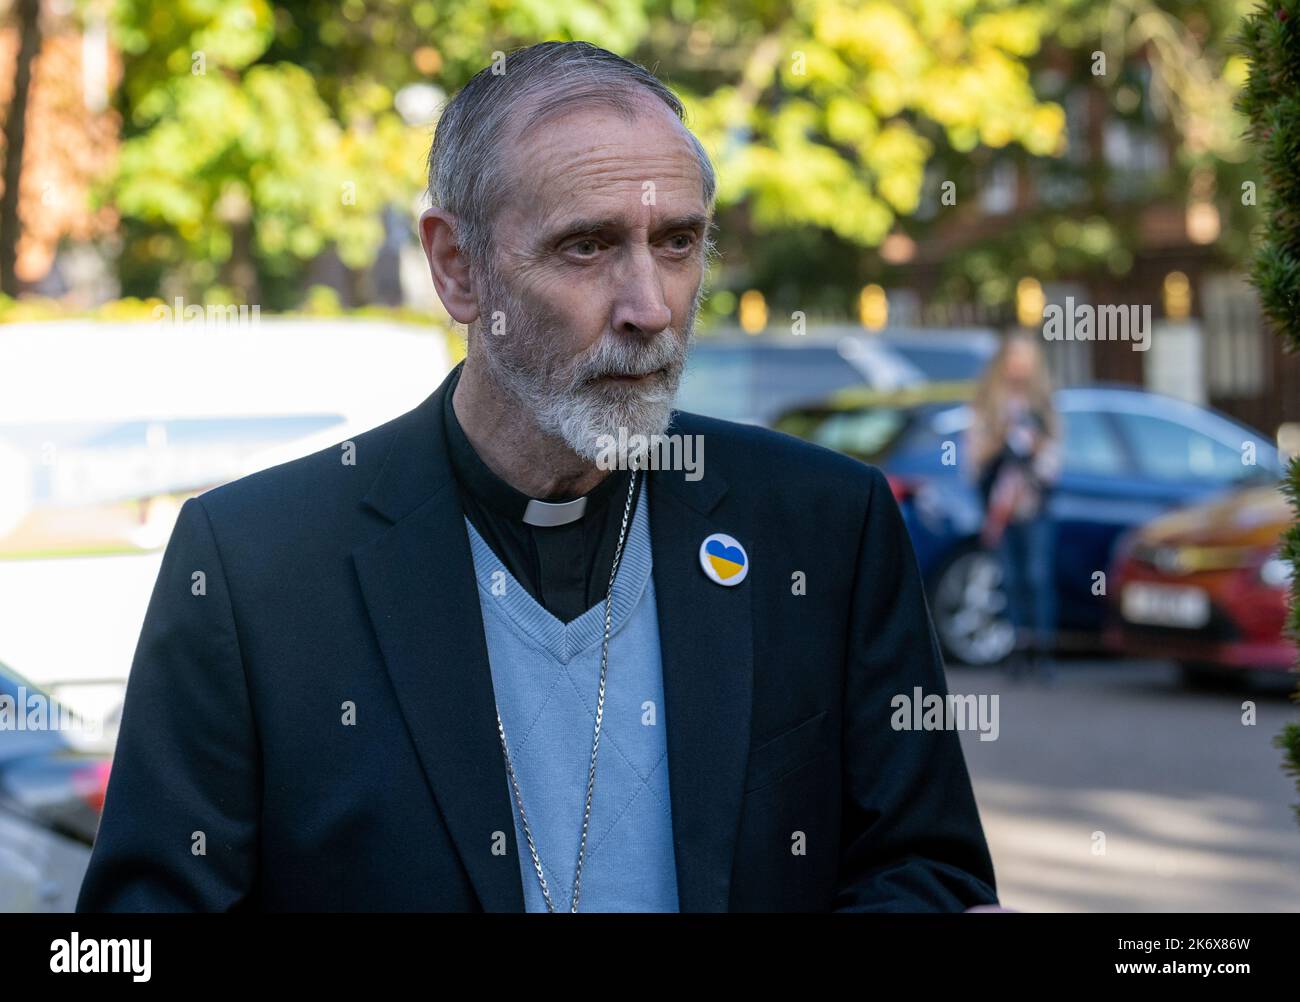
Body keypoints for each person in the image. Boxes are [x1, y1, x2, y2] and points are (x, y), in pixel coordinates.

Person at [76, 41, 997, 912]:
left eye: (677, 243)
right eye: (587, 247)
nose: (650, 308)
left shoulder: (823, 526)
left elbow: (923, 869)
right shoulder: (257, 567)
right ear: (456, 266)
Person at [967, 334, 1062, 682]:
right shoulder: (988, 406)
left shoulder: (1043, 407)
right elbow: (973, 461)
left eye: (1025, 358)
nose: (1018, 366)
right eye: (1012, 357)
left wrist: (1035, 447)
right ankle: (1017, 649)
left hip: (1034, 506)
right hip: (1000, 510)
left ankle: (1044, 649)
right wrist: (998, 440)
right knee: (1010, 579)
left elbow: (1054, 465)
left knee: (1037, 576)